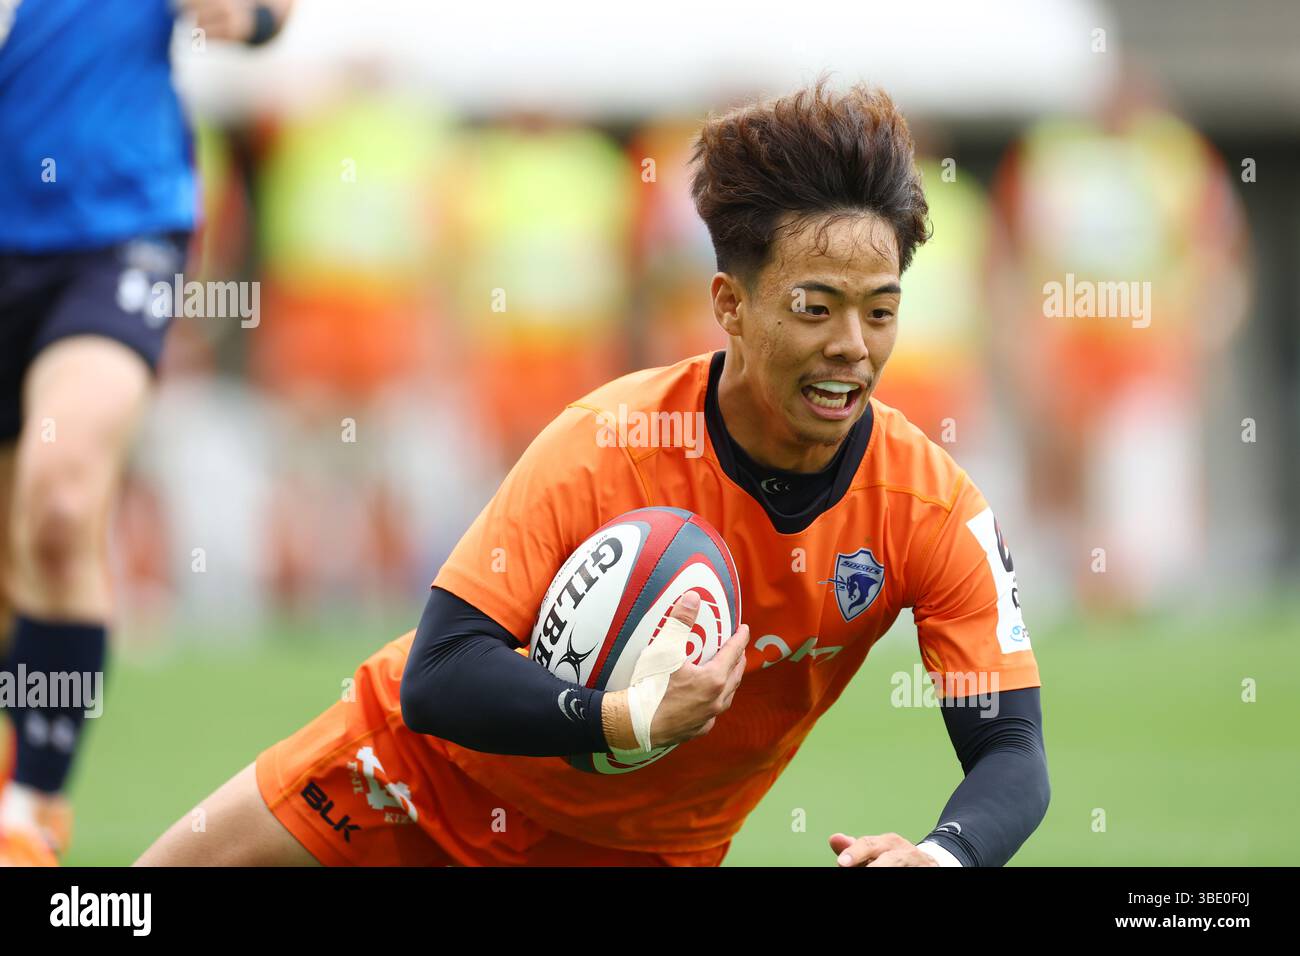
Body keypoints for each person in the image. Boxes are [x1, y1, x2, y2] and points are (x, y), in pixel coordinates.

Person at [138, 79, 1050, 868]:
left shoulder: (929, 508)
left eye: (881, 311)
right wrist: (626, 715)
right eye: (816, 308)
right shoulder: (609, 441)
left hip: (645, 853)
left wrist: (942, 854)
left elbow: (1009, 744)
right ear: (729, 304)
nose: (852, 347)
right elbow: (441, 674)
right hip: (413, 774)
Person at [0, 0, 292, 867]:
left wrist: (243, 14)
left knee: (59, 499)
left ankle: (32, 808)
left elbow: (268, 12)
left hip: (112, 234)